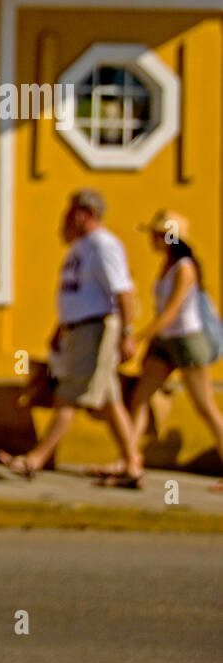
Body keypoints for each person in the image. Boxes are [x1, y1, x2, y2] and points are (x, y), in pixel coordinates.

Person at [0, 189, 143, 486]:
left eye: (71, 211)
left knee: (67, 396)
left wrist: (127, 334)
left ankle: (35, 459)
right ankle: (132, 463)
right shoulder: (82, 248)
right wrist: (58, 329)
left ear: (86, 214)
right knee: (108, 401)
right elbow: (78, 294)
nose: (65, 217)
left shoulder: (103, 245)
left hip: (94, 330)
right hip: (79, 330)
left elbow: (123, 291)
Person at [112, 211, 223, 493]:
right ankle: (129, 459)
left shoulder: (185, 268)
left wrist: (137, 337)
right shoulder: (168, 265)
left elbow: (172, 313)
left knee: (205, 407)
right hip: (164, 342)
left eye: (158, 233)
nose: (153, 239)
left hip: (186, 341)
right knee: (140, 398)